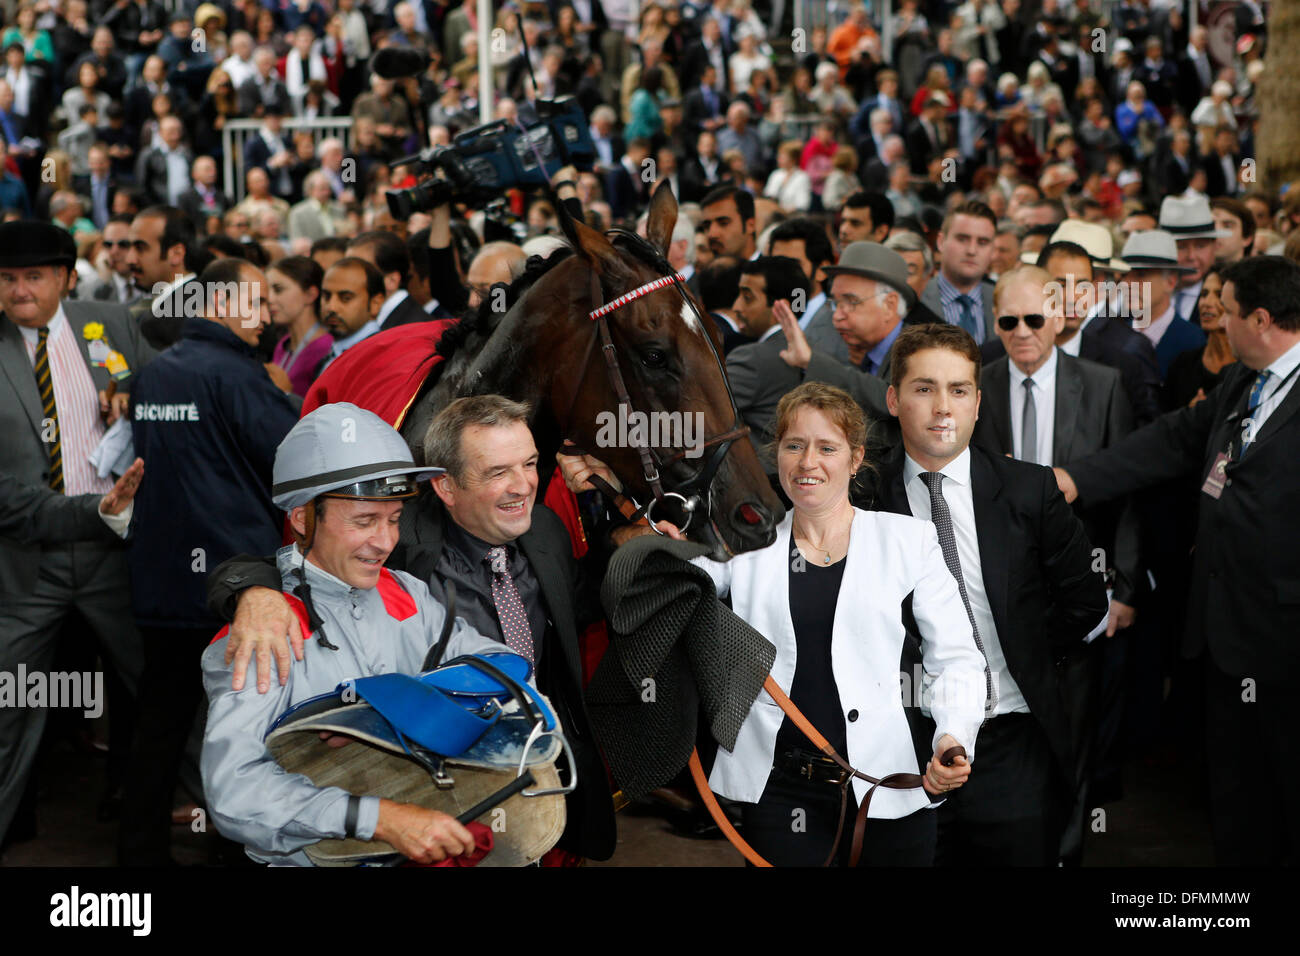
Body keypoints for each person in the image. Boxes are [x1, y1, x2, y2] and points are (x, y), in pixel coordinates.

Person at [207, 395, 619, 863]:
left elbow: (502, 667)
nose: (384, 542)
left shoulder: (404, 591)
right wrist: (378, 818)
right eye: (364, 521)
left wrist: (388, 717)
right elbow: (234, 793)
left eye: (394, 519)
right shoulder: (261, 635)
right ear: (302, 517)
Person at [603, 381, 985, 865]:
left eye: (827, 447)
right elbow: (652, 593)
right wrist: (639, 527)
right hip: (779, 797)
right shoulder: (742, 548)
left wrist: (953, 735)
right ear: (776, 454)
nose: (808, 463)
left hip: (889, 788)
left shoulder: (910, 541)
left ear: (855, 458)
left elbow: (957, 658)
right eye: (794, 446)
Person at [1053, 255, 1300, 866]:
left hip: (1287, 645)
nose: (1216, 319)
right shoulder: (1245, 382)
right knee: (1238, 802)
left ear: (1262, 319)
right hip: (1222, 634)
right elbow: (1170, 442)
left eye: (1229, 309)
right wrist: (1075, 479)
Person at [874, 322, 1108, 864]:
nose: (942, 408)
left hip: (1011, 728)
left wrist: (1019, 656)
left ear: (978, 403)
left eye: (957, 390)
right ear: (893, 399)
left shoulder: (1030, 489)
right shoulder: (864, 497)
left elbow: (1084, 601)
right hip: (902, 736)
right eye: (924, 388)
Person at [118, 257, 300, 866]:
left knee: (160, 723)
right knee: (244, 728)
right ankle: (238, 850)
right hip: (235, 587)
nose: (267, 313)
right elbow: (294, 460)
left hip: (162, 581)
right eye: (255, 299)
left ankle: (138, 853)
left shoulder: (152, 375)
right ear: (221, 304)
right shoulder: (240, 376)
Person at [0, 221, 155, 847]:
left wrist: (135, 399)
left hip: (118, 553)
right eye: (7, 278)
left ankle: (184, 810)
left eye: (34, 276)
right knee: (9, 703)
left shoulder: (111, 323)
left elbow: (163, 395)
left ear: (67, 277)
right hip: (21, 562)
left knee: (154, 685)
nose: (19, 291)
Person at [920, 199, 998, 343]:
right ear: (941, 242)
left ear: (993, 250)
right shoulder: (917, 297)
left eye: (982, 242)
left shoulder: (1002, 301)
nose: (972, 250)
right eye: (962, 239)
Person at [1164, 266, 1236, 410]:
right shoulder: (1183, 364)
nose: (1207, 303)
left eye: (1219, 294)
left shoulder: (1249, 368)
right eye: (1204, 294)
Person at [268, 256, 331, 398]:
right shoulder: (283, 344)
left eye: (278, 290)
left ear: (310, 294)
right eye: (268, 290)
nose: (270, 299)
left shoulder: (326, 348)